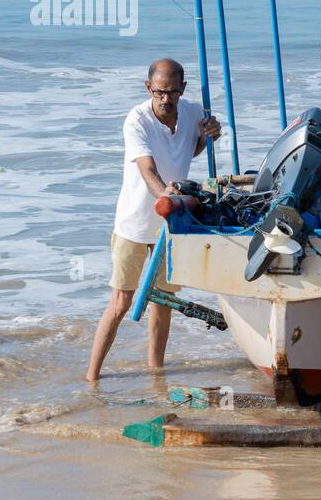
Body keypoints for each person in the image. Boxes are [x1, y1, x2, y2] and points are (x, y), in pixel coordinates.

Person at [86, 59, 221, 382]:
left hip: (172, 222)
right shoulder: (137, 120)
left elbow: (188, 149)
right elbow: (147, 169)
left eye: (172, 92)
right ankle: (92, 375)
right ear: (148, 88)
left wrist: (206, 137)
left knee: (164, 300)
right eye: (159, 92)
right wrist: (165, 195)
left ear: (182, 90)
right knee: (121, 301)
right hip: (134, 223)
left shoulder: (192, 112)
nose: (166, 99)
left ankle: (155, 370)